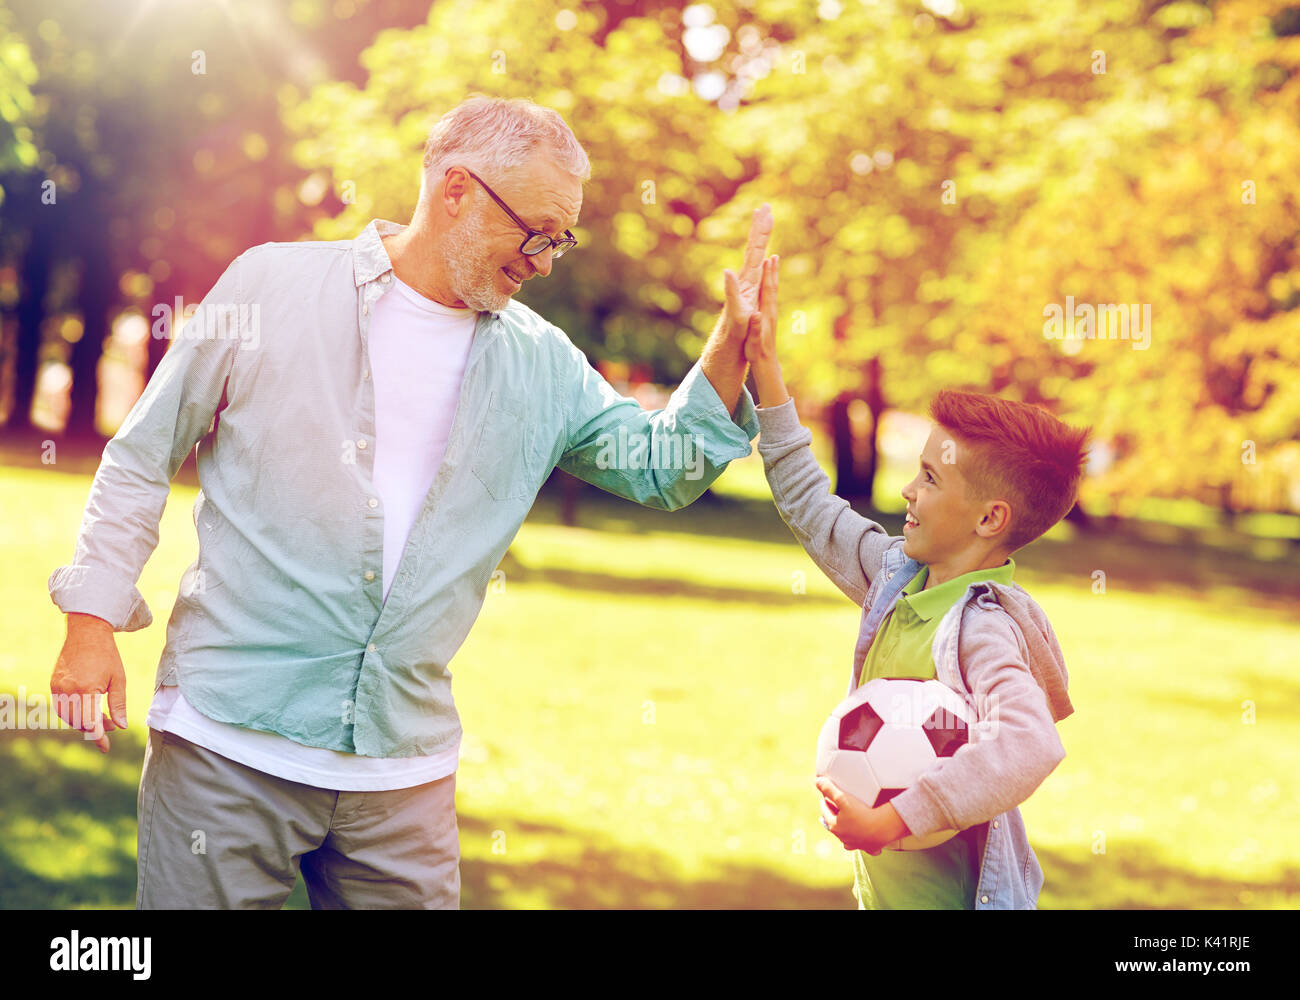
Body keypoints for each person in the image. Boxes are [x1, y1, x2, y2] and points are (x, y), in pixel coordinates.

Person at [47, 95, 775, 909]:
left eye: (559, 240)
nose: (543, 261)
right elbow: (145, 453)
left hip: (403, 773)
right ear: (456, 190)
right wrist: (92, 617)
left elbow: (659, 468)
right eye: (534, 232)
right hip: (227, 741)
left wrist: (730, 348)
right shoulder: (270, 286)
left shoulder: (542, 362)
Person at [743, 255, 1086, 909]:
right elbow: (813, 510)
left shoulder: (982, 630)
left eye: (930, 478)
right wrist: (767, 372)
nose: (908, 488)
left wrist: (895, 820)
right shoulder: (900, 577)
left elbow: (1029, 740)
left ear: (990, 518)